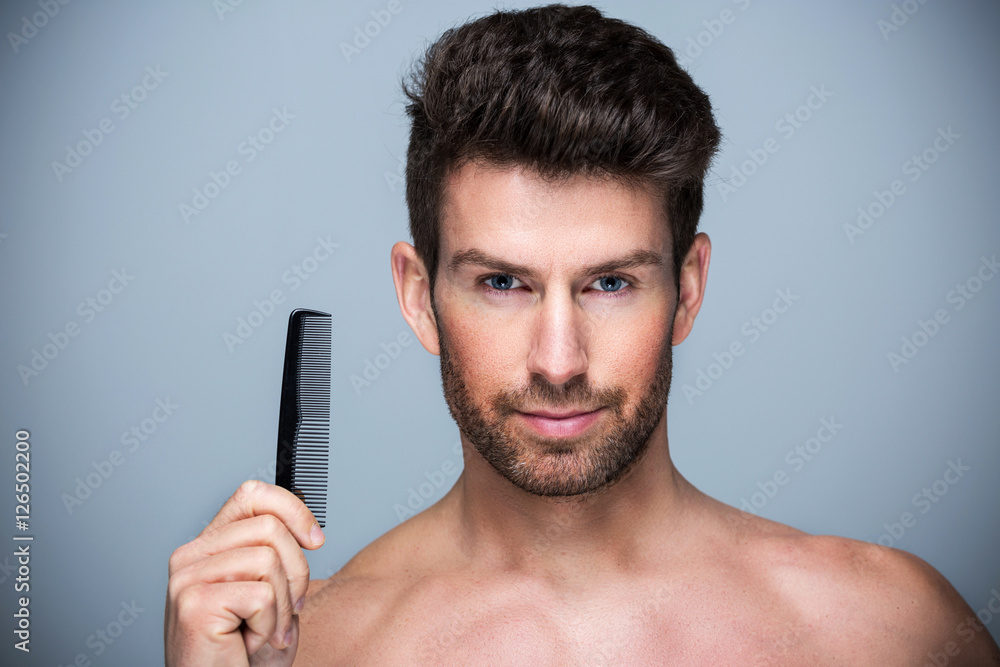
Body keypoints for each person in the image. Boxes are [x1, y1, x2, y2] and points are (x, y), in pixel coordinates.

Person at [164, 4, 1000, 664]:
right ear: (419, 298)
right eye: (502, 283)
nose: (558, 362)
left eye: (609, 283)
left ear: (689, 288)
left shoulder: (889, 633)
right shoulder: (303, 651)